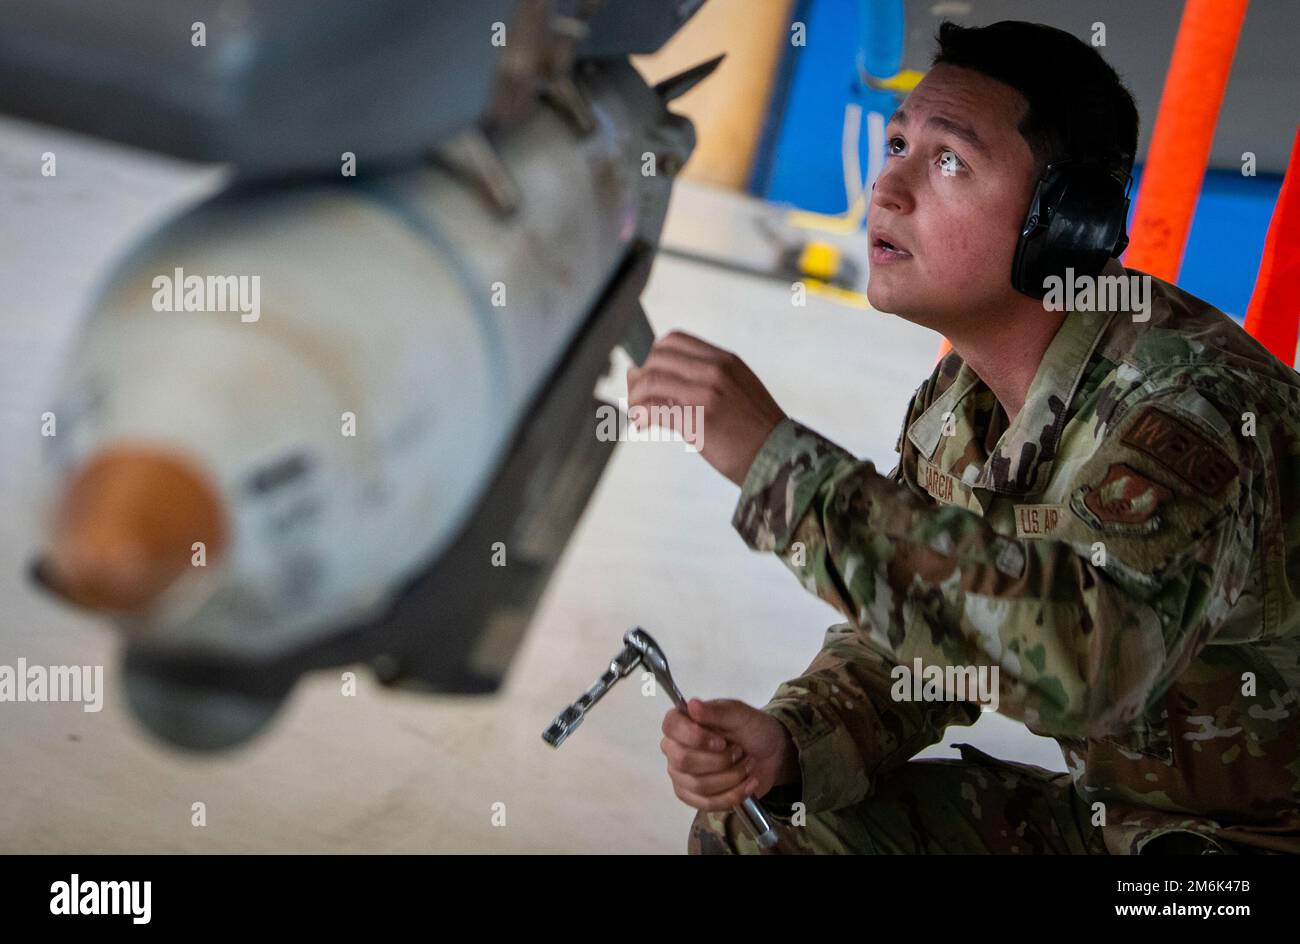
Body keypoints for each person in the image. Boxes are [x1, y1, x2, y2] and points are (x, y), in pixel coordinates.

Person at [626, 19, 1300, 854]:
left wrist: (779, 466)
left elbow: (1089, 667)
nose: (890, 188)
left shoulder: (1190, 403)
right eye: (897, 144)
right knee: (763, 832)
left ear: (1068, 224)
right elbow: (934, 640)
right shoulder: (959, 402)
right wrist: (793, 741)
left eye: (948, 161)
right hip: (1115, 828)